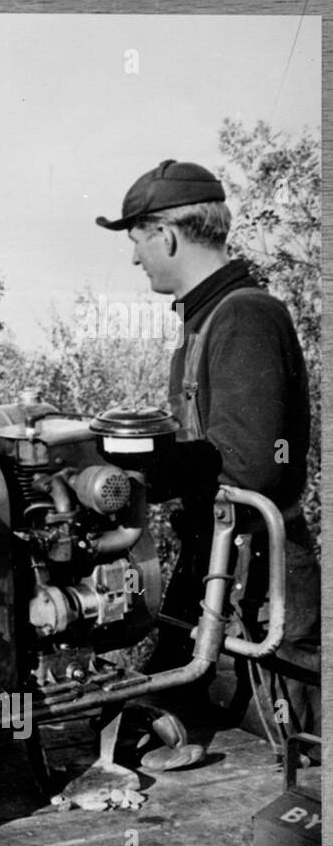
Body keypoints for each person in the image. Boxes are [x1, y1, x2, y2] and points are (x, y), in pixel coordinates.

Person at [96, 159, 320, 740]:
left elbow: (250, 467)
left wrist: (132, 466)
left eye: (137, 240)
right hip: (213, 571)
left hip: (259, 588)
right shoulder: (201, 323)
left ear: (166, 234)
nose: (135, 256)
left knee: (299, 737)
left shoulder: (246, 315)